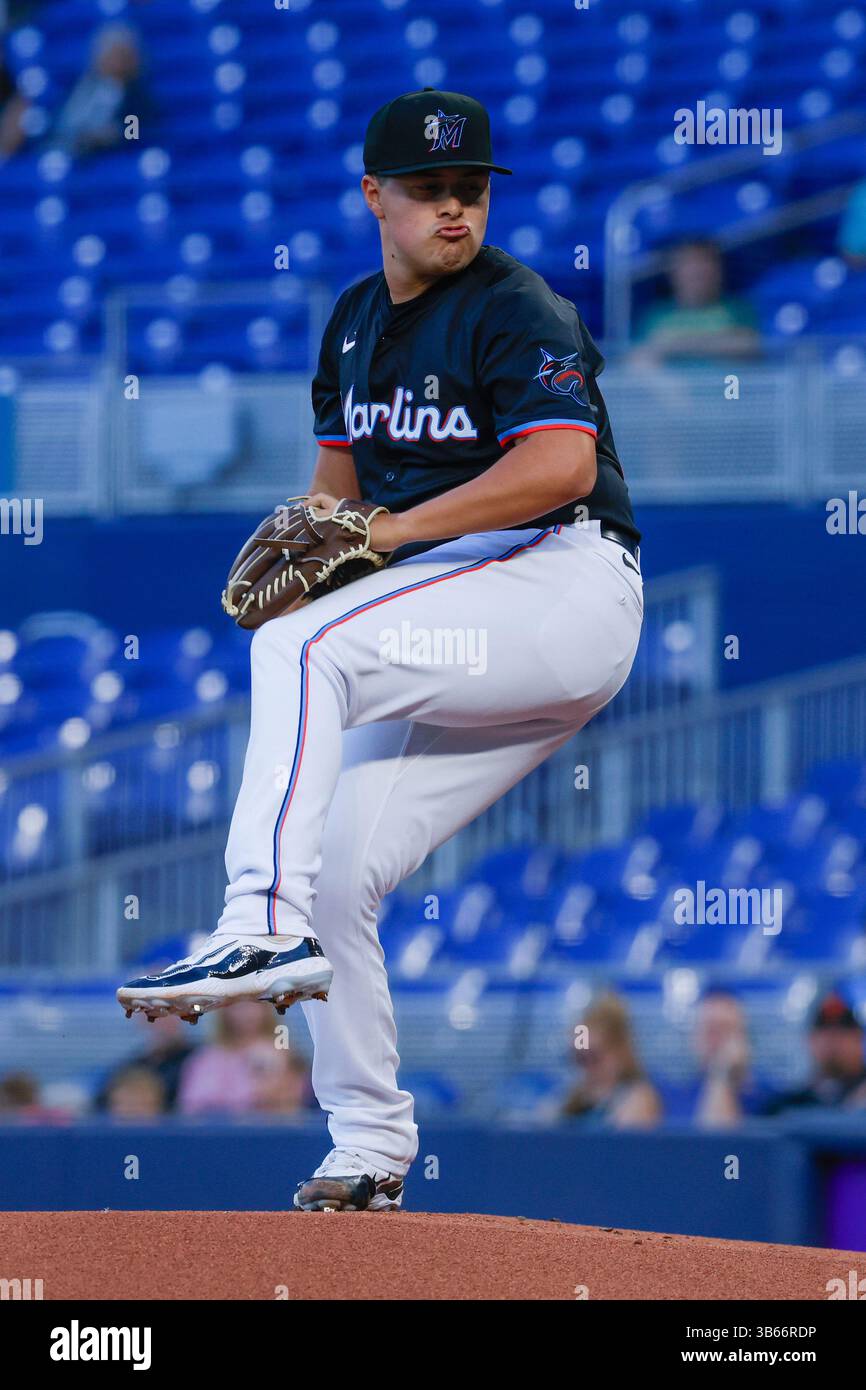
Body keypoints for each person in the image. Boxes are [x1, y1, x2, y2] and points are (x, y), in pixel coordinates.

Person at [118, 88, 643, 1211]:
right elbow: (337, 507)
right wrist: (323, 536)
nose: (454, 208)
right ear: (375, 197)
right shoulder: (352, 324)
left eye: (470, 189)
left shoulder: (517, 308)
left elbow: (556, 466)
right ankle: (366, 1145)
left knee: (305, 653)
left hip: (563, 582)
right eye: (427, 189)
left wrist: (387, 537)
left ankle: (253, 925)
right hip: (467, 608)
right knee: (343, 865)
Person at [633, 239, 760, 363]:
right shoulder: (655, 315)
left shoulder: (737, 309)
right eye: (689, 264)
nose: (698, 272)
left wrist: (676, 344)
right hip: (672, 382)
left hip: (726, 383)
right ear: (673, 272)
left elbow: (748, 345)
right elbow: (638, 359)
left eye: (705, 263)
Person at [177, 1000, 310, 1118]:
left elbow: (291, 1102)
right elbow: (192, 1109)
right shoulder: (205, 1060)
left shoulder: (283, 1052)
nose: (246, 1012)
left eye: (254, 1003)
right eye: (236, 1004)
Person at [50, 22, 151, 158]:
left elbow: (135, 132)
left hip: (114, 158)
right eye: (111, 54)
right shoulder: (80, 88)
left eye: (122, 55)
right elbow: (62, 121)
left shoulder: (137, 96)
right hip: (71, 152)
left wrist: (115, 134)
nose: (117, 62)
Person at [561, 993, 662, 1129]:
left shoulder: (639, 1100)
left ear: (620, 1053)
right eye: (579, 1058)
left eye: (594, 1057)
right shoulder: (570, 1100)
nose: (586, 1068)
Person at [763, 992, 866, 1118]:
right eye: (824, 1029)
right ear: (809, 1039)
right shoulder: (787, 1106)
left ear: (859, 1038)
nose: (833, 1039)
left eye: (845, 1030)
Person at [689, 989, 767, 1128]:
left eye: (726, 1030)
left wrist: (722, 1074)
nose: (718, 1041)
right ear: (695, 1038)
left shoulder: (768, 1099)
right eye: (711, 1031)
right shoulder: (671, 1097)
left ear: (745, 1038)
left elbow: (724, 1143)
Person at [94, 1011, 195, 1113]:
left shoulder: (198, 1061)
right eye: (155, 1014)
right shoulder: (133, 1065)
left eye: (170, 1014)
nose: (162, 1022)